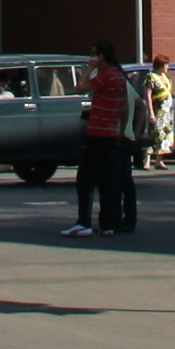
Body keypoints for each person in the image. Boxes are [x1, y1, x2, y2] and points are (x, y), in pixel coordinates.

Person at [66, 44, 134, 236]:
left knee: (85, 180)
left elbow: (79, 88)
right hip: (112, 134)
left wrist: (89, 69)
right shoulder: (120, 77)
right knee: (108, 181)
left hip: (97, 134)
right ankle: (108, 224)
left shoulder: (105, 76)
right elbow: (124, 108)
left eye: (94, 54)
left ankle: (84, 222)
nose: (91, 57)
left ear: (102, 56)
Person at [142, 54, 175, 170]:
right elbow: (147, 95)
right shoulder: (151, 77)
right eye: (166, 64)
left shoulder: (166, 77)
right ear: (160, 65)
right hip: (158, 110)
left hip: (167, 112)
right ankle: (147, 161)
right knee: (155, 134)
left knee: (165, 136)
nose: (168, 67)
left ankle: (159, 160)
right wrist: (151, 113)